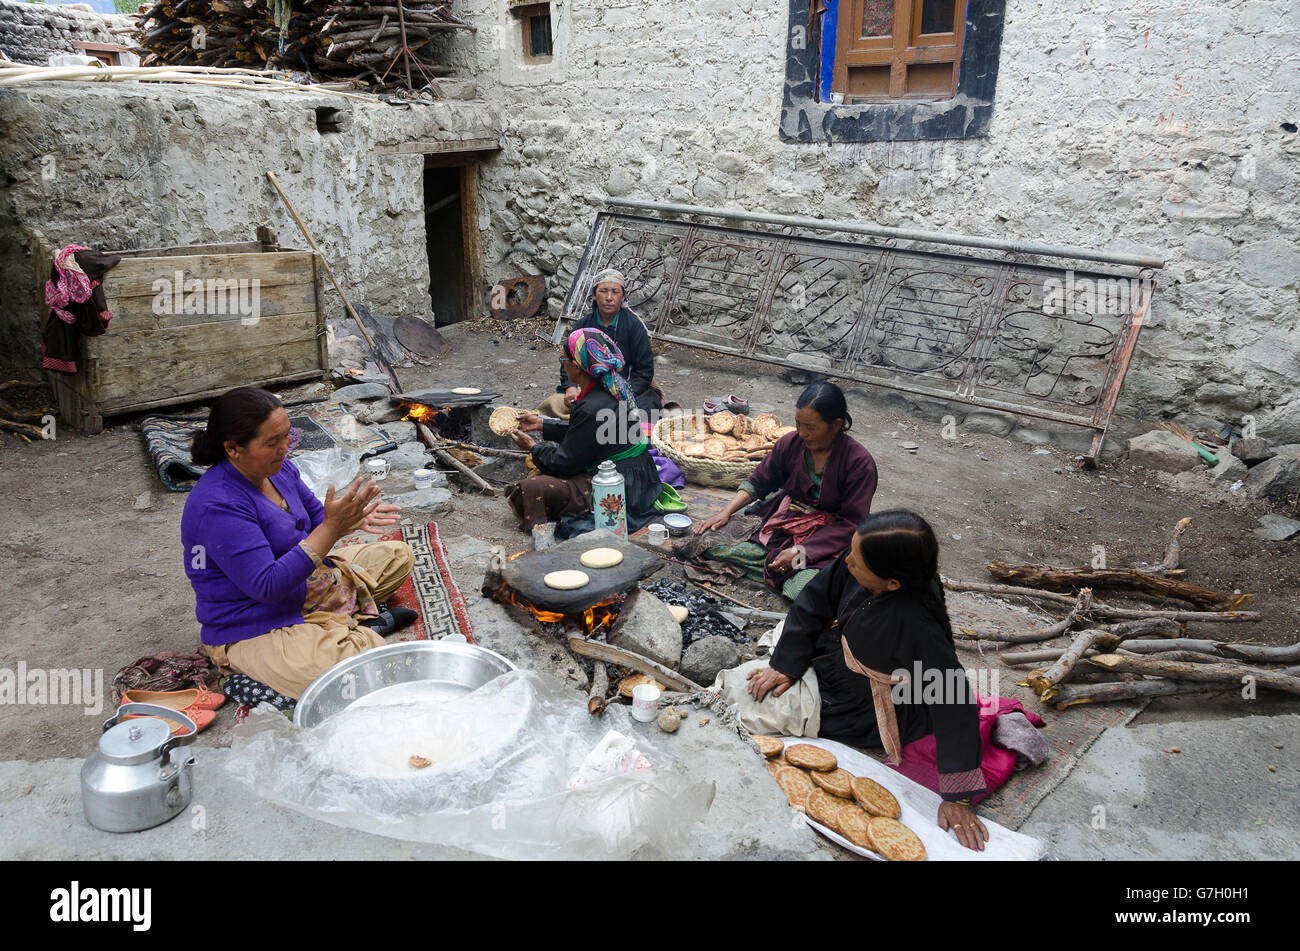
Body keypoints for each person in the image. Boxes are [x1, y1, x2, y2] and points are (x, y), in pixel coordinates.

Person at [747, 511, 993, 852]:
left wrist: (959, 796)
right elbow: (816, 597)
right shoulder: (858, 567)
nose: (847, 561)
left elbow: (954, 701)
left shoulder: (918, 626)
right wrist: (786, 664)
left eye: (858, 561)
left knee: (755, 711)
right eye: (851, 551)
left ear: (893, 583)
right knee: (759, 676)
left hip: (865, 703)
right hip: (838, 660)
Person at [181, 387, 415, 701]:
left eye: (287, 436)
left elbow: (319, 518)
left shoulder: (278, 470)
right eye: (272, 442)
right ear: (233, 448)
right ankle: (345, 633)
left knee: (397, 556)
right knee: (368, 663)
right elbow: (268, 585)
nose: (285, 448)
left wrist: (349, 519)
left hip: (303, 586)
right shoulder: (217, 505)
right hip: (254, 620)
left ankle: (335, 628)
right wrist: (332, 530)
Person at [693, 381, 877, 600]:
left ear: (836, 425)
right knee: (706, 544)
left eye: (811, 428)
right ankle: (775, 567)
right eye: (799, 424)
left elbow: (851, 523)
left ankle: (787, 569)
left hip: (825, 539)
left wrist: (800, 552)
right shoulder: (791, 442)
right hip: (783, 524)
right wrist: (726, 512)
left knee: (802, 590)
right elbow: (760, 480)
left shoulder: (859, 463)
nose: (802, 433)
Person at [508, 327, 663, 538]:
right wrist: (541, 425)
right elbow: (589, 434)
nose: (562, 364)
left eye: (564, 360)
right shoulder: (613, 387)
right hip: (640, 478)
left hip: (621, 487)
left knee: (530, 488)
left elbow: (566, 461)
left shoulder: (592, 404)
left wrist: (533, 448)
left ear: (576, 367)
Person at [535, 268, 661, 420]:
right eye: (603, 291)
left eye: (615, 292)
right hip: (588, 387)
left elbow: (644, 372)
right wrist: (570, 387)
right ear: (594, 295)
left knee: (645, 411)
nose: (609, 297)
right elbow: (568, 361)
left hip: (627, 388)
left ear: (622, 297)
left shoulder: (634, 327)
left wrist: (619, 394)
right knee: (556, 405)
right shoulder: (583, 325)